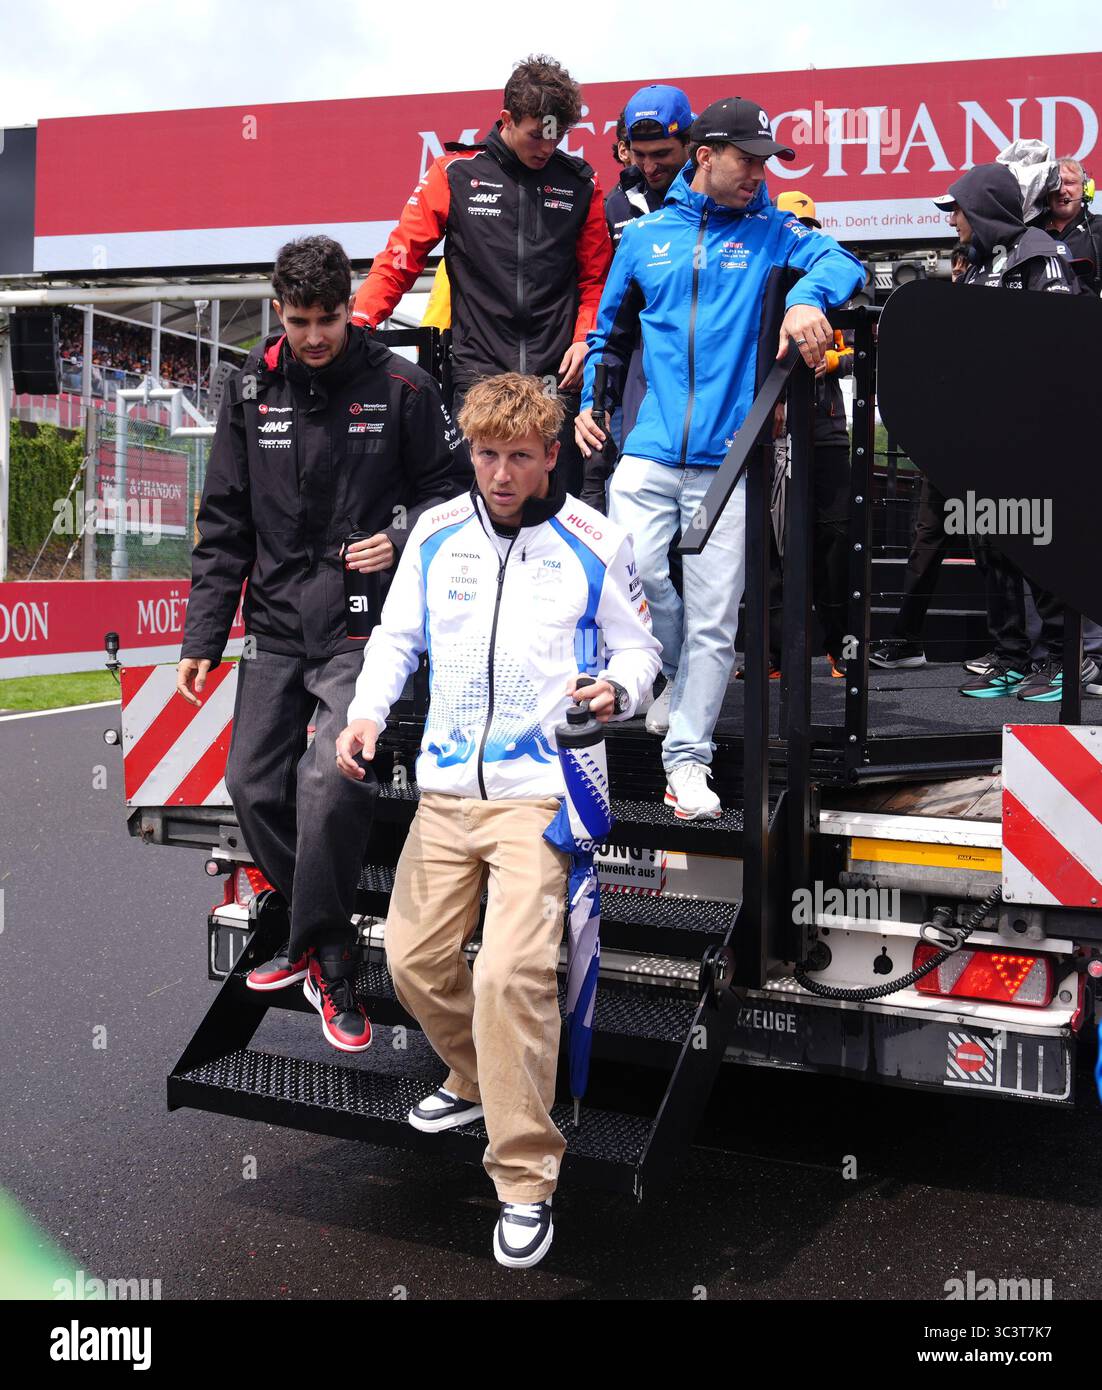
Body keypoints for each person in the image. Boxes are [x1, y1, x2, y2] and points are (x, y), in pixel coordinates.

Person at [335, 373, 660, 1268]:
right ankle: (479, 1075)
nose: (501, 472)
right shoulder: (436, 532)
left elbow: (642, 651)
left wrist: (618, 689)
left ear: (553, 455)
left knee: (511, 975)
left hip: (539, 794)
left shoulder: (597, 539)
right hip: (445, 791)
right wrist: (366, 713)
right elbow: (398, 638)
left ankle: (523, 1179)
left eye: (520, 456)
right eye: (486, 454)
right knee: (409, 959)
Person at [177, 235, 459, 1049]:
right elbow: (223, 521)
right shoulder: (246, 390)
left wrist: (397, 534)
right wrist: (205, 631)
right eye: (298, 320)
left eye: (327, 320)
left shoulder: (402, 385)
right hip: (273, 624)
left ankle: (331, 965)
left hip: (363, 627)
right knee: (250, 783)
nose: (312, 336)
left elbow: (449, 498)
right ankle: (321, 935)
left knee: (330, 781)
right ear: (279, 311)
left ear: (350, 309)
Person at [576, 98, 865, 817]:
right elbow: (609, 333)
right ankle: (665, 670)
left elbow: (844, 263)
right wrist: (592, 405)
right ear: (705, 155)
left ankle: (688, 760)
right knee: (637, 577)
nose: (758, 173)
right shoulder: (644, 237)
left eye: (767, 161)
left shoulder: (773, 231)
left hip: (729, 460)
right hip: (646, 449)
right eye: (748, 159)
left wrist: (808, 299)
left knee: (715, 617)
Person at [351, 54, 612, 496]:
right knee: (477, 509)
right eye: (537, 135)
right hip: (478, 375)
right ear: (507, 119)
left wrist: (585, 336)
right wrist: (360, 324)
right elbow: (400, 257)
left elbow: (596, 280)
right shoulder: (455, 173)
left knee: (553, 510)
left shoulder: (581, 184)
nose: (548, 148)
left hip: (557, 376)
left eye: (558, 136)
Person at [931, 164, 1085, 701]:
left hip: (1033, 436)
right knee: (992, 549)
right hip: (982, 439)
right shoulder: (975, 265)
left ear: (984, 208)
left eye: (957, 209)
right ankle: (1014, 656)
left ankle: (1066, 661)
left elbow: (1063, 343)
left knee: (1039, 545)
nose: (952, 220)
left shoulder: (1039, 253)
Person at [583, 84, 694, 522]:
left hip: (702, 371)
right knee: (625, 494)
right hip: (633, 369)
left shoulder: (719, 200)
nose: (649, 165)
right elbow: (599, 294)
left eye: (662, 153)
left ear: (691, 143)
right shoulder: (614, 205)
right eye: (638, 152)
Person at [870, 244, 970, 670]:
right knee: (924, 549)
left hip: (988, 456)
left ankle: (1024, 654)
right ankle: (906, 640)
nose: (958, 272)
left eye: (965, 266)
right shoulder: (943, 316)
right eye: (959, 266)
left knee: (1001, 552)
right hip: (943, 455)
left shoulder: (994, 313)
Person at [775, 189, 853, 677]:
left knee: (836, 539)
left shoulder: (831, 287)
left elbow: (858, 352)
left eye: (809, 222)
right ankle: (776, 654)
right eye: (794, 222)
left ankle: (841, 649)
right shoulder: (760, 284)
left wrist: (828, 359)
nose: (802, 230)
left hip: (826, 428)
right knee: (769, 544)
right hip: (772, 432)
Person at [1032, 156, 1102, 294]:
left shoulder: (1099, 228)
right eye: (1055, 184)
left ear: (1085, 189)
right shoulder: (1030, 230)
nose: (1061, 190)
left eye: (1069, 183)